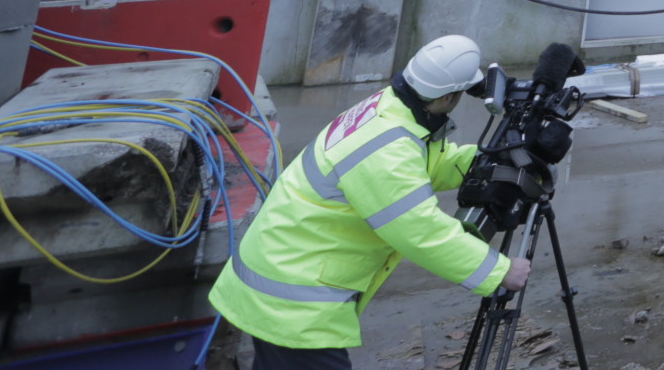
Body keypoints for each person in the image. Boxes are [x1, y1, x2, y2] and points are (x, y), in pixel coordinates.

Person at [211, 36, 527, 370]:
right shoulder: (387, 148)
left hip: (282, 278)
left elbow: (420, 166)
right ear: (448, 96)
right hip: (293, 302)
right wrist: (499, 271)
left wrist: (486, 162)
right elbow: (420, 229)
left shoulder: (388, 108)